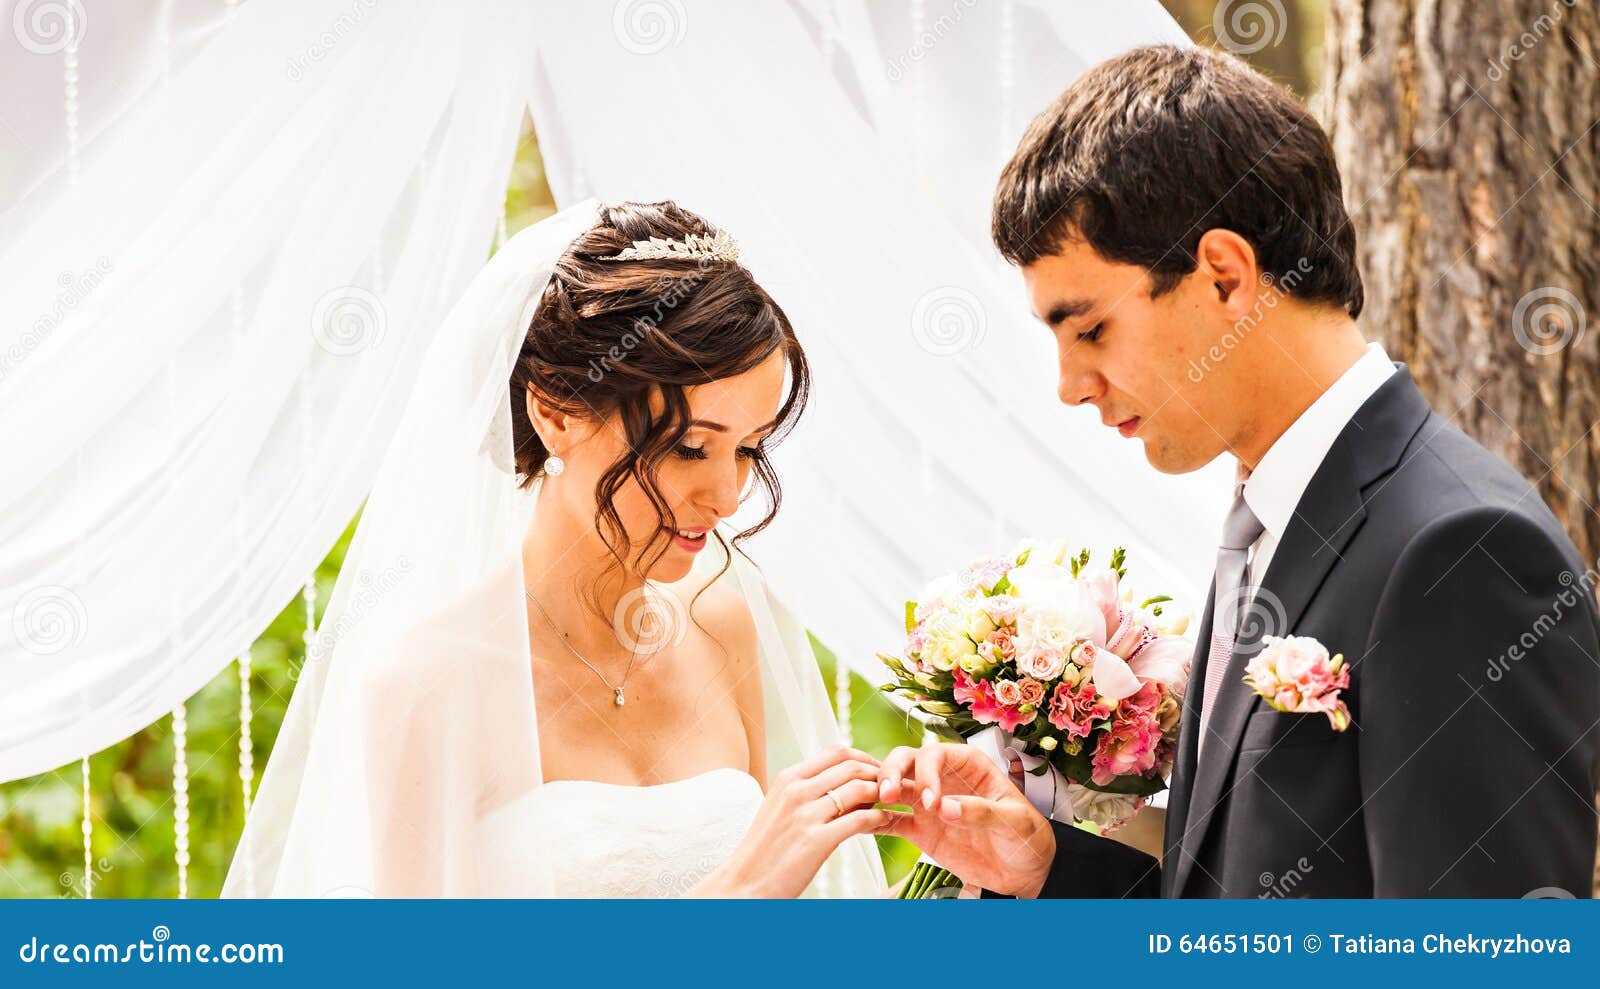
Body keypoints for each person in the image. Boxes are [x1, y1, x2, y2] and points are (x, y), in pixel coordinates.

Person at [879, 44, 1600, 898]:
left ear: (1225, 277)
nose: (1071, 387)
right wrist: (1046, 866)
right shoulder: (1267, 519)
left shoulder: (1461, 552)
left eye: (1091, 330)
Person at [224, 201, 888, 897]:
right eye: (690, 447)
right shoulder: (429, 684)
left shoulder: (719, 626)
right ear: (557, 410)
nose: (727, 496)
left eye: (749, 448)